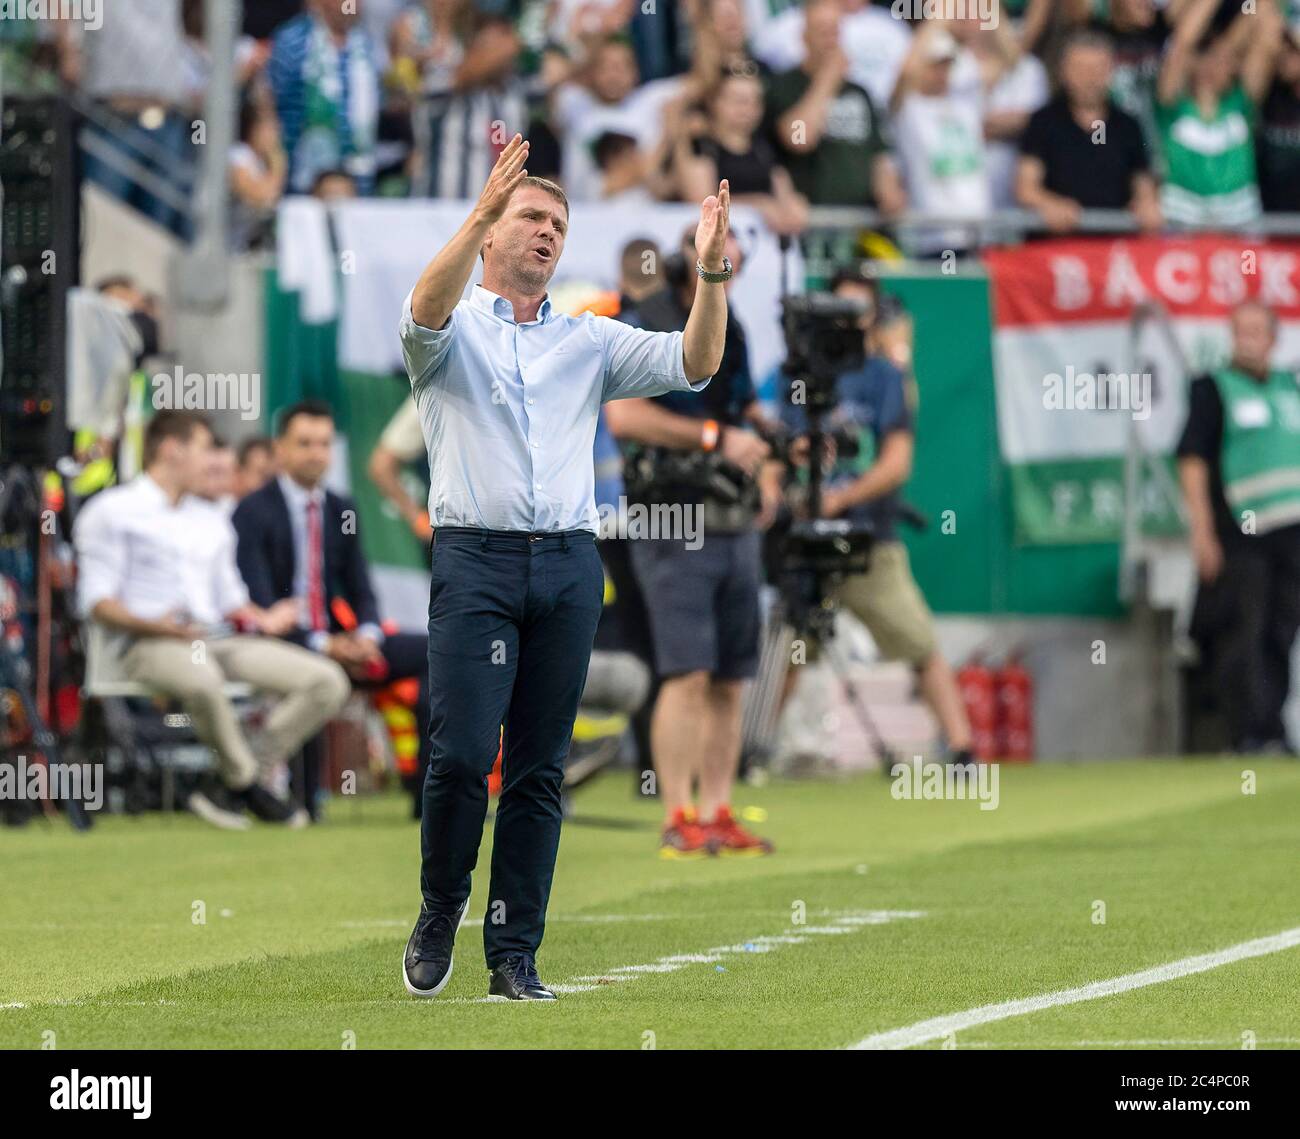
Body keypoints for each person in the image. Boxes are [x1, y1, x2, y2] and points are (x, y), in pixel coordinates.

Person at [397, 135, 730, 1000]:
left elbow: (694, 365)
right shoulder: (453, 326)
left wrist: (713, 277)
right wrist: (476, 211)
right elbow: (422, 312)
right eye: (532, 217)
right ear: (494, 229)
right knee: (464, 755)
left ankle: (514, 953)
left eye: (559, 223)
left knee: (541, 767)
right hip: (475, 559)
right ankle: (441, 904)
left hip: (570, 564)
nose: (548, 233)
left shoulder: (588, 339)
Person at [74, 410, 351, 829]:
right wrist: (157, 626)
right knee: (203, 678)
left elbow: (232, 601)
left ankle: (234, 779)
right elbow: (96, 601)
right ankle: (247, 785)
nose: (214, 462)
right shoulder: (111, 510)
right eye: (205, 450)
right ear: (171, 450)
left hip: (215, 639)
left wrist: (266, 617)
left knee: (327, 681)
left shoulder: (212, 519)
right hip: (145, 644)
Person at [605, 225, 780, 858]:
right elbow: (623, 416)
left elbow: (741, 411)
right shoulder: (648, 314)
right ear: (689, 252)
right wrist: (715, 441)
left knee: (731, 677)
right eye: (713, 248)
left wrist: (777, 448)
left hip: (731, 517)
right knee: (687, 670)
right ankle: (678, 812)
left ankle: (718, 809)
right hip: (670, 517)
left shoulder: (732, 322)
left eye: (732, 254)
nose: (723, 261)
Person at [780, 266, 974, 767]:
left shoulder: (887, 375)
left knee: (918, 641)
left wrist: (840, 500)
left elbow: (896, 462)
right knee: (787, 652)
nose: (848, 321)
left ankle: (961, 749)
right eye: (839, 309)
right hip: (804, 540)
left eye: (859, 310)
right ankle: (742, 758)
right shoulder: (799, 372)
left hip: (870, 539)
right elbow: (780, 445)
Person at [232, 401, 434, 818]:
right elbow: (264, 603)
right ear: (280, 449)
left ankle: (428, 795)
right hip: (286, 642)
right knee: (312, 672)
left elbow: (362, 589)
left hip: (345, 640)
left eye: (324, 444)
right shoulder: (252, 512)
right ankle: (301, 801)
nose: (315, 453)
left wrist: (368, 636)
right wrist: (326, 645)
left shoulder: (341, 508)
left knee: (437, 654)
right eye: (304, 443)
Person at [1177, 301, 1300, 754]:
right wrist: (1202, 531)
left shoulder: (1291, 387)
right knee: (1242, 629)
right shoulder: (1213, 388)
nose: (1247, 338)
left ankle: (1273, 730)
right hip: (1241, 530)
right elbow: (1192, 460)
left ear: (1273, 338)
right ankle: (1243, 732)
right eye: (1239, 330)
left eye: (1256, 330)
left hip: (1291, 532)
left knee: (1281, 632)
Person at [762, 0, 904, 214]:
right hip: (812, 225)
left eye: (834, 32)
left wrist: (889, 188)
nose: (830, 41)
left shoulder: (858, 92)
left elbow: (879, 152)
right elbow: (799, 139)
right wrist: (826, 82)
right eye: (822, 32)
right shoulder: (785, 86)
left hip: (862, 223)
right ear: (804, 37)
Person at [1017, 30, 1162, 235]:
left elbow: (1143, 185)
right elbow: (1026, 188)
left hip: (1114, 250)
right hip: (1055, 247)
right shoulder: (1043, 121)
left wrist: (1146, 204)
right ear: (1064, 71)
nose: (1090, 78)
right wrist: (1048, 203)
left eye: (1098, 69)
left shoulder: (1127, 125)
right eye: (1081, 69)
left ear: (1111, 71)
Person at [1155, 0, 1280, 229]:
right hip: (1181, 219)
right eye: (1206, 56)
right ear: (1192, 63)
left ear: (1234, 67)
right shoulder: (1173, 106)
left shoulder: (1241, 105)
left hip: (1240, 221)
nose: (1212, 66)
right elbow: (1181, 42)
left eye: (1222, 60)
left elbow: (1268, 41)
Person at [267, 0, 381, 194]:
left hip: (358, 179)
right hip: (304, 180)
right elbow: (272, 106)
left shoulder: (365, 44)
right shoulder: (292, 41)